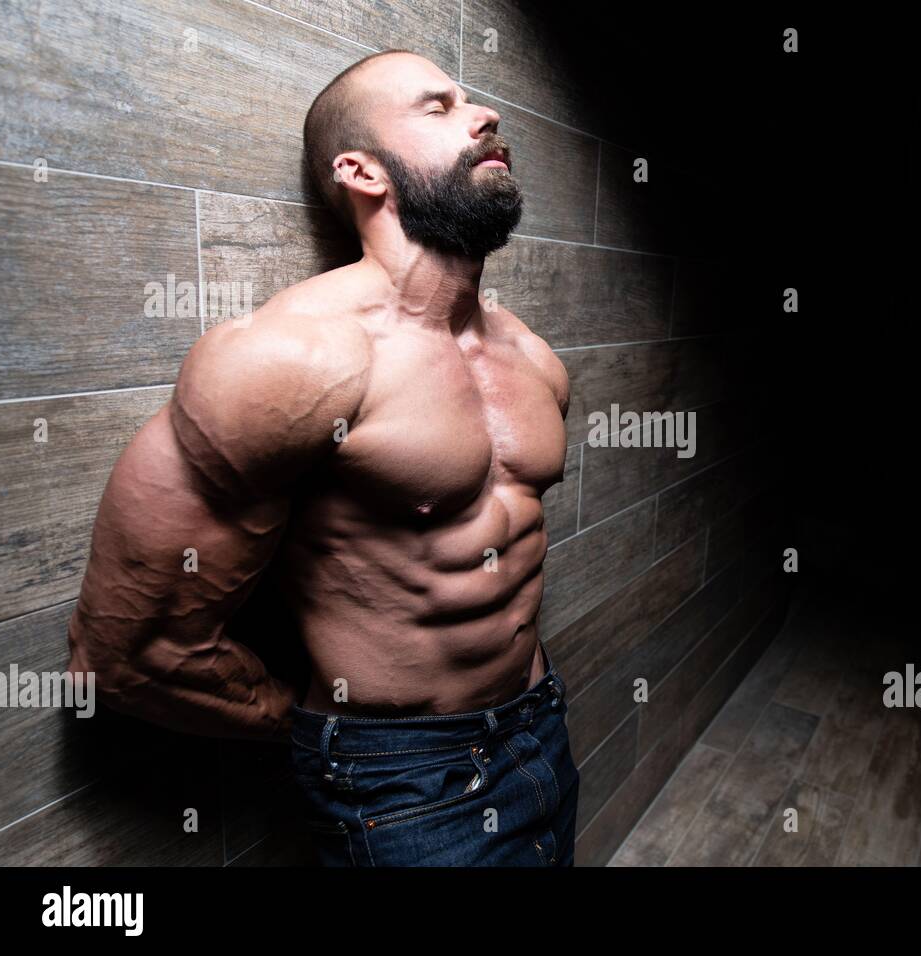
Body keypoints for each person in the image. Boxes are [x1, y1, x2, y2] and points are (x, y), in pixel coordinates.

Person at [65, 49, 579, 866]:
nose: (484, 118)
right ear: (361, 171)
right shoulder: (291, 360)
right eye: (438, 107)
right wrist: (309, 729)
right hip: (403, 778)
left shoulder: (533, 358)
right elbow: (127, 654)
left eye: (477, 103)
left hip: (541, 724)